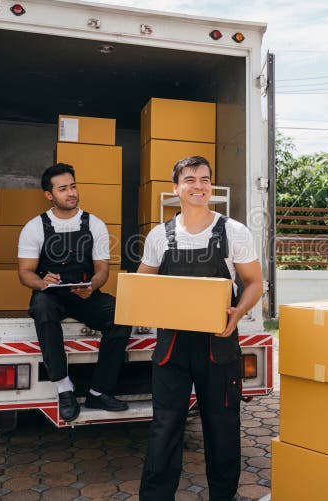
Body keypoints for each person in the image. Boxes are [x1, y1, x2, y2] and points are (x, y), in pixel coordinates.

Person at [137, 156, 264, 501]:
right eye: (190, 179)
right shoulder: (159, 236)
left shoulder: (234, 231)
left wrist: (237, 313)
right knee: (165, 429)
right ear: (175, 188)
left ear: (212, 186)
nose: (199, 186)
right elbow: (141, 286)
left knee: (222, 430)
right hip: (171, 349)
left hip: (218, 345)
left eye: (205, 179)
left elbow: (254, 283)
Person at [17, 163, 131, 422]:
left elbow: (103, 269)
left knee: (121, 316)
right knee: (42, 308)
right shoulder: (34, 227)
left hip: (84, 295)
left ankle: (99, 391)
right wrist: (42, 282)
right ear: (49, 195)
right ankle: (64, 388)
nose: (71, 193)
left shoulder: (95, 224)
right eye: (63, 189)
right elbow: (25, 273)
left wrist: (92, 286)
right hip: (51, 295)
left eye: (73, 186)